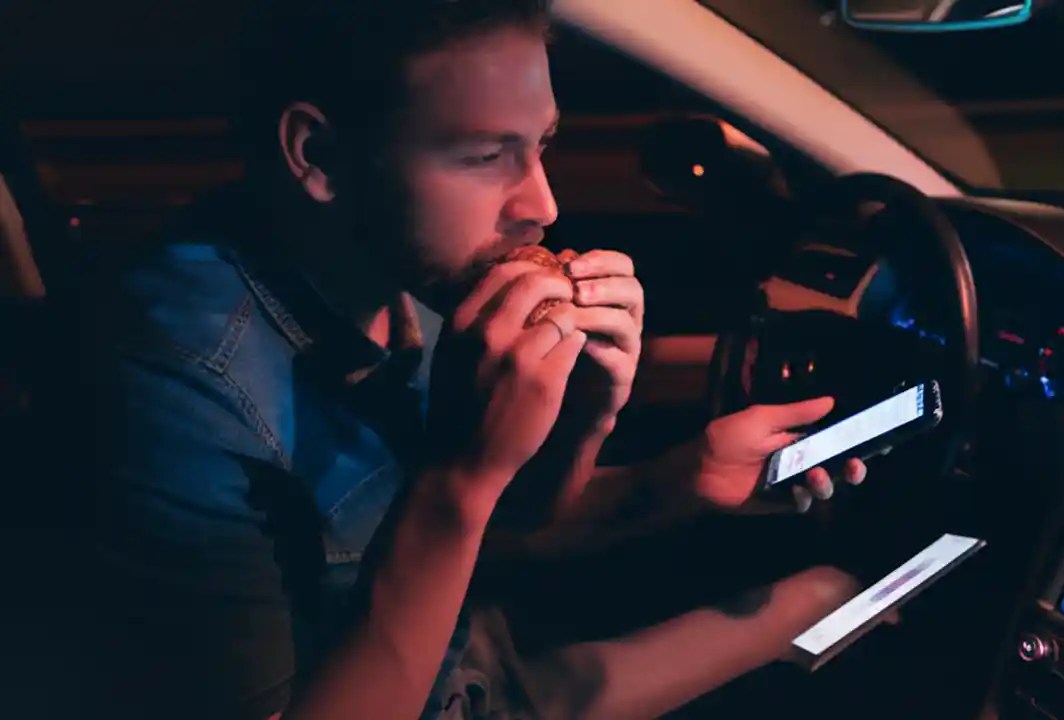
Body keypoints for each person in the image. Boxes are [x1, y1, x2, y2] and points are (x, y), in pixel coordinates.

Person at [80, 1, 871, 718]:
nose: (542, 206)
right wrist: (462, 475)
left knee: (837, 597)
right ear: (318, 154)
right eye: (488, 155)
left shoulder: (396, 267)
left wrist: (662, 468)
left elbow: (505, 529)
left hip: (474, 670)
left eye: (542, 145)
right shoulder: (178, 388)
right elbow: (456, 515)